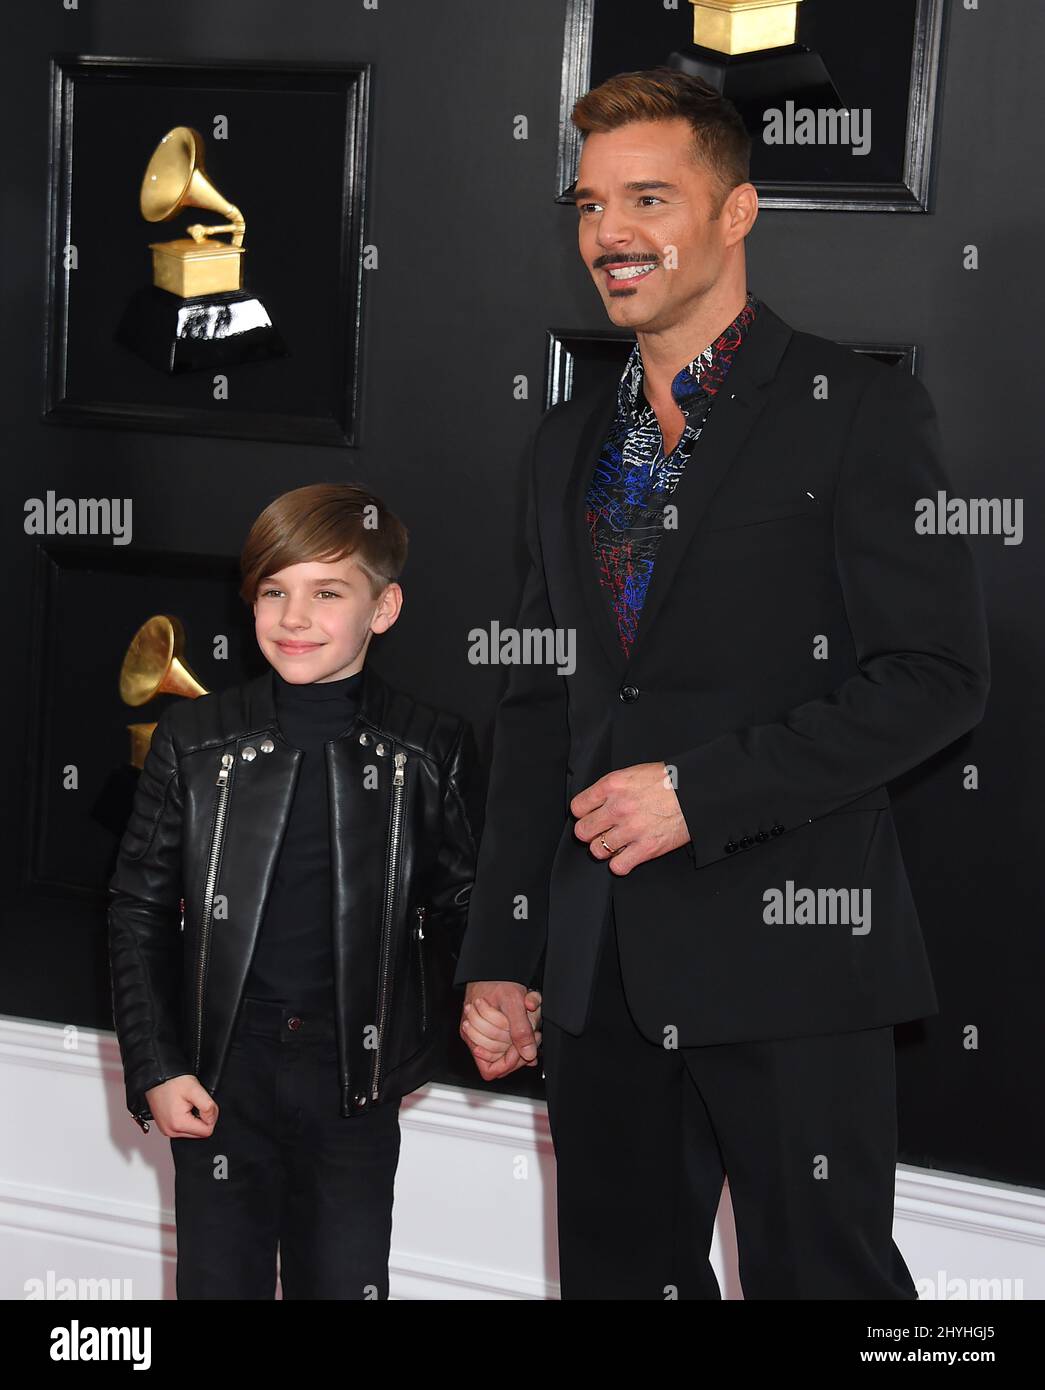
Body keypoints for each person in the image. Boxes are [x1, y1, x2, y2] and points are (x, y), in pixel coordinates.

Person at [454, 69, 990, 1299]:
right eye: (591, 205)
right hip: (600, 976)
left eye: (648, 197)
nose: (611, 235)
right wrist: (505, 949)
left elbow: (937, 676)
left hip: (796, 961)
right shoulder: (565, 443)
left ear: (737, 211)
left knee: (826, 1284)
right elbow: (541, 708)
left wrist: (702, 791)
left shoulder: (857, 409)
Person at [108, 482, 482, 1299]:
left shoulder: (430, 748)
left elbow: (464, 909)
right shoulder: (193, 739)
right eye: (274, 591)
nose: (293, 617)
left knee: (344, 1283)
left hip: (353, 1079)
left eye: (327, 592)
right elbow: (137, 907)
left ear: (382, 610)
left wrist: (418, 1047)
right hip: (218, 1073)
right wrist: (158, 1064)